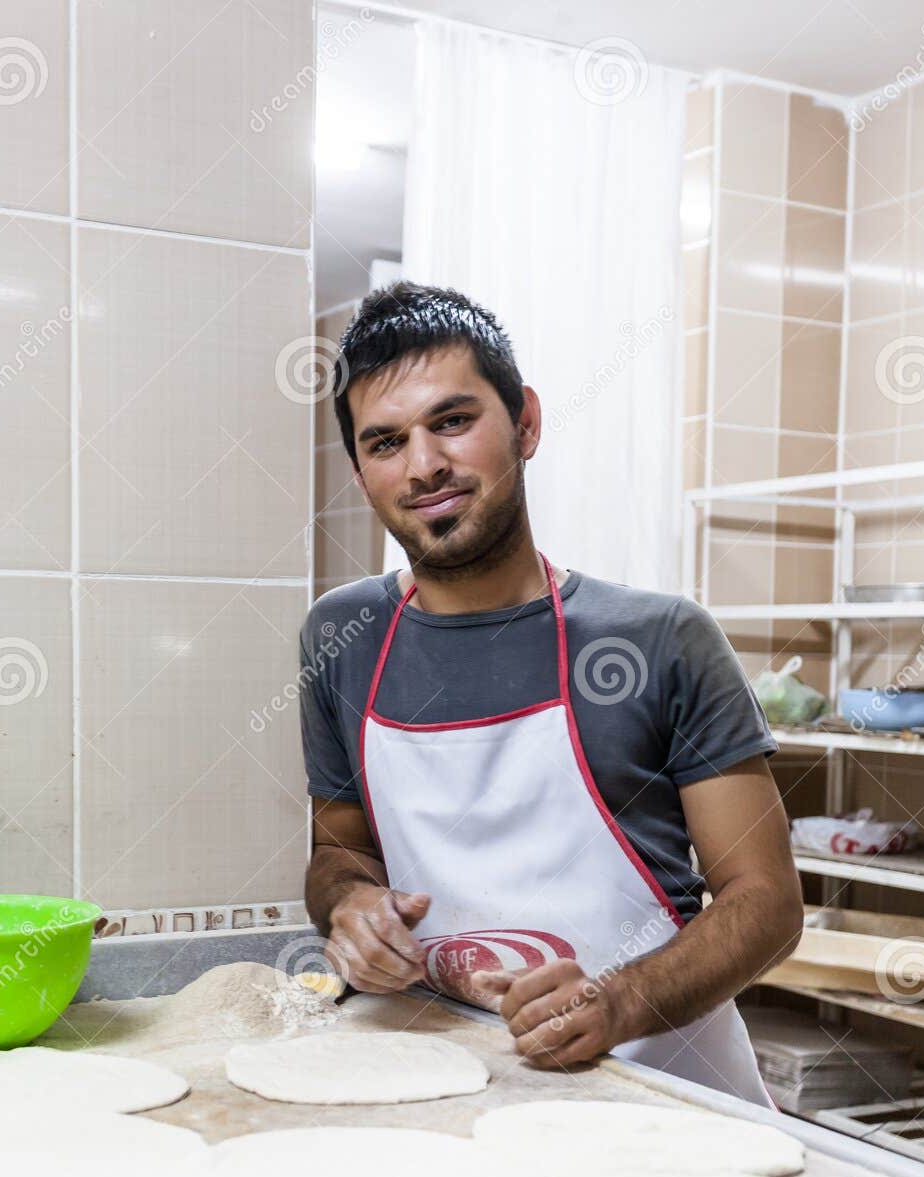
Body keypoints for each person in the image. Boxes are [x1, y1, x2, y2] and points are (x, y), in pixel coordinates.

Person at [298, 282, 802, 1104]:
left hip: (664, 1092)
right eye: (385, 442)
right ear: (360, 472)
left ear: (525, 422)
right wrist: (351, 905)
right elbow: (338, 852)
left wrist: (617, 1002)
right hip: (458, 1082)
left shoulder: (658, 639)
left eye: (453, 421)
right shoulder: (340, 637)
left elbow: (767, 902)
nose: (424, 465)